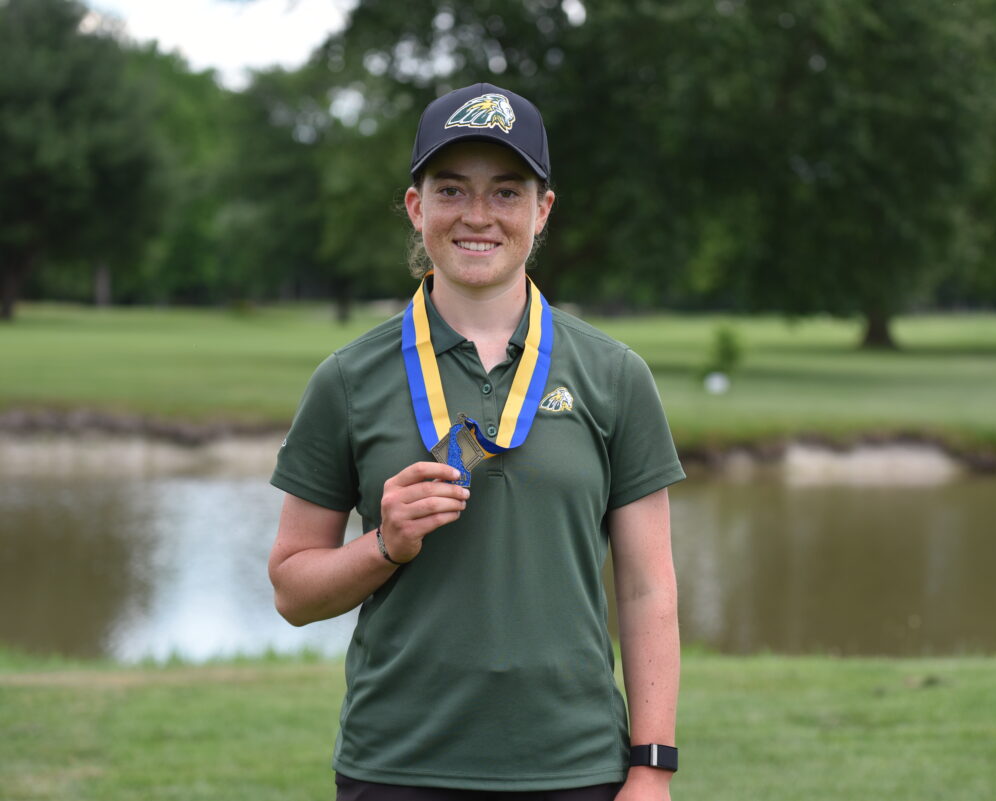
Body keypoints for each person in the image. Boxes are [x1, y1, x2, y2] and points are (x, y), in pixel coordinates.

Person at [267, 82, 685, 801]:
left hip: (576, 767)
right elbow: (291, 591)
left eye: (507, 192)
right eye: (452, 189)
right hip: (396, 766)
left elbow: (648, 590)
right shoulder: (348, 379)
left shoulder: (616, 376)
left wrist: (650, 767)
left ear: (542, 211)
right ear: (416, 206)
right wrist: (385, 545)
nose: (478, 215)